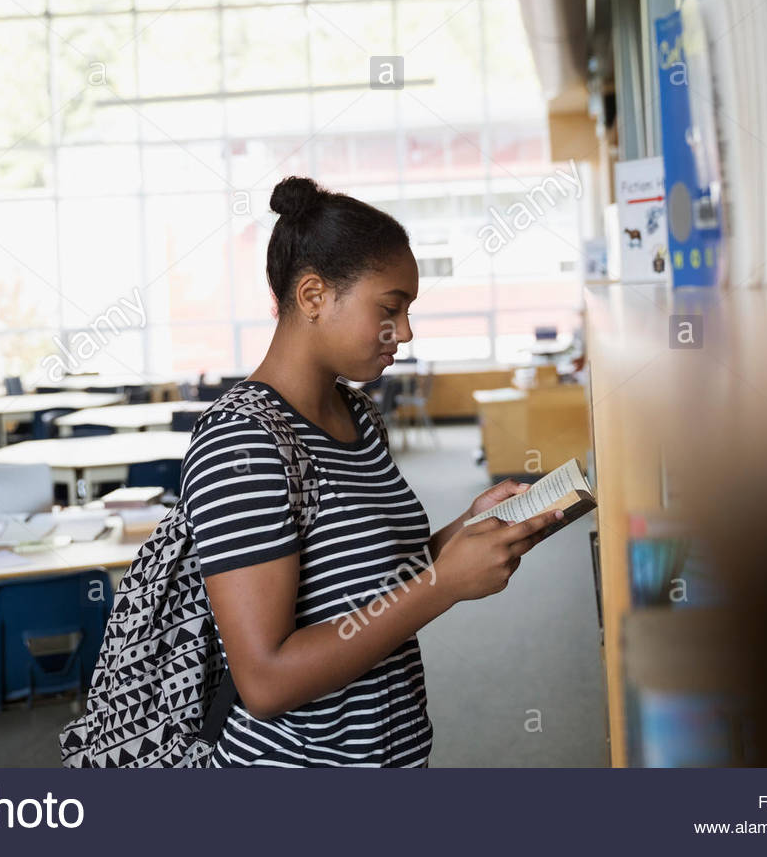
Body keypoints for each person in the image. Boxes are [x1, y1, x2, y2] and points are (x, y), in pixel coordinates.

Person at [180, 176, 562, 767]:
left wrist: (468, 528)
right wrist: (443, 585)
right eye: (390, 308)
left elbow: (373, 584)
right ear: (313, 297)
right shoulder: (243, 442)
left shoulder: (357, 413)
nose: (405, 332)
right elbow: (266, 681)